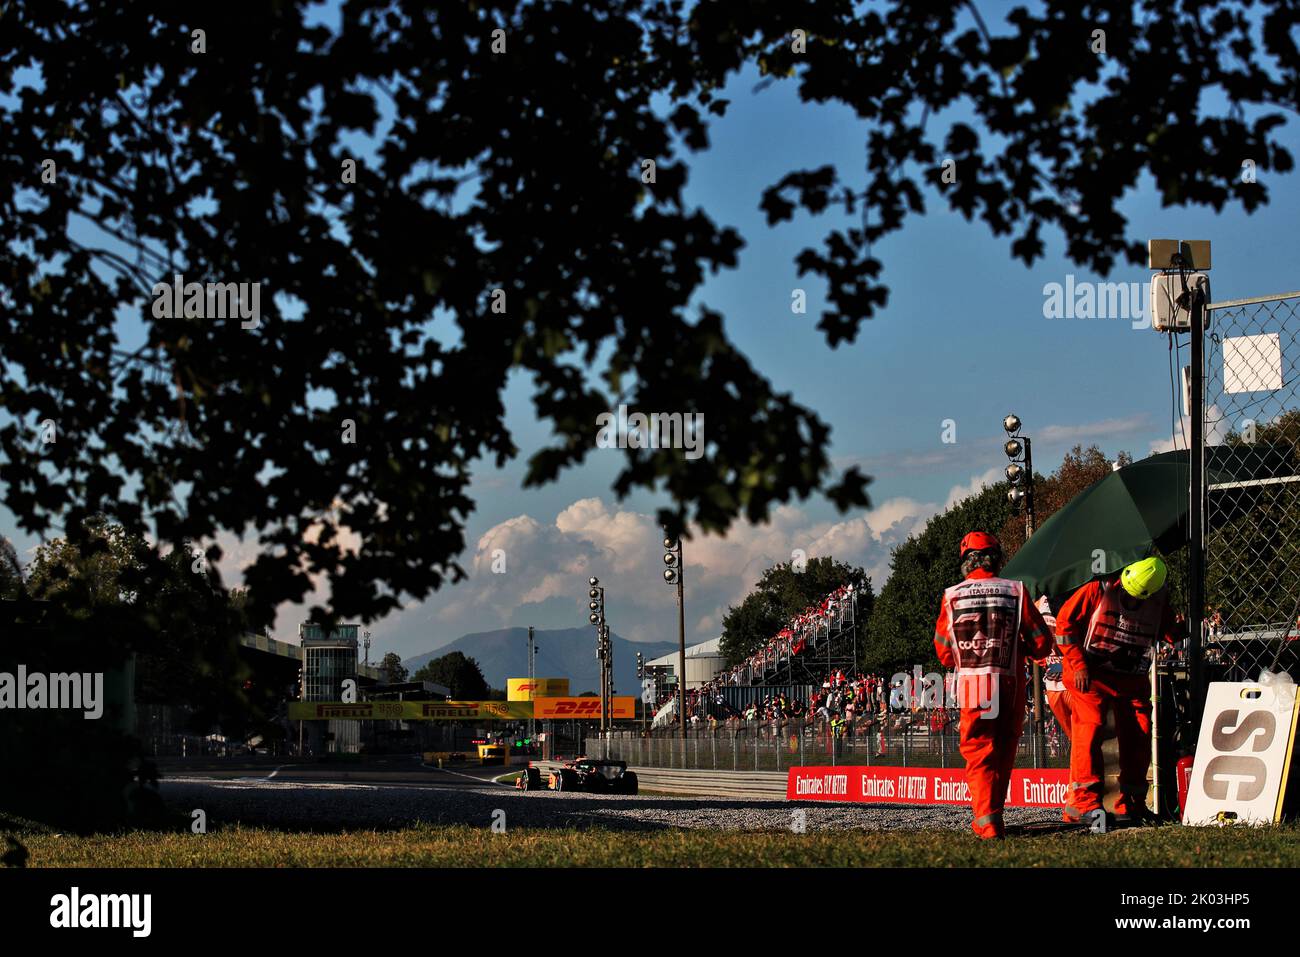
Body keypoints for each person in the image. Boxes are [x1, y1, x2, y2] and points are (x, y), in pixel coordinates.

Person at [934, 531, 1054, 839]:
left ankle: (987, 821)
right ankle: (993, 816)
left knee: (979, 750)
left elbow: (944, 653)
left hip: (974, 686)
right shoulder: (1016, 590)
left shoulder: (951, 596)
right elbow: (1042, 643)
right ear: (996, 558)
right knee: (1003, 749)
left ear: (966, 562)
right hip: (1010, 684)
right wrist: (1020, 649)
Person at [1055, 555, 1181, 826]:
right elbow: (1064, 625)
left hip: (1131, 677)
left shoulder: (1158, 602)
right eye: (1127, 595)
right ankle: (1084, 804)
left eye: (1138, 599)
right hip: (1090, 674)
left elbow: (1169, 631)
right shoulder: (1097, 589)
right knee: (1089, 730)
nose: (1131, 603)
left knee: (1140, 732)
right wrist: (1078, 665)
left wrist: (1180, 626)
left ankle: (1132, 804)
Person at [1034, 596, 1072, 740]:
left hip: (1066, 683)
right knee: (1077, 738)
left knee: (1080, 738)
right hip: (1061, 683)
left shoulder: (1037, 605)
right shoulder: (1038, 604)